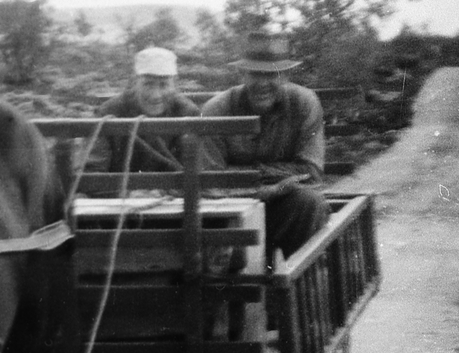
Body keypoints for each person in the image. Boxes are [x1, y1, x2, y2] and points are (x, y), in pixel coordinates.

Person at [201, 33, 330, 260]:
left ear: (286, 75)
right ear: (241, 73)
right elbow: (210, 184)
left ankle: (300, 288)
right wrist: (269, 189)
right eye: (255, 73)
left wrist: (243, 175)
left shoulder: (304, 103)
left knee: (310, 203)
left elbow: (311, 173)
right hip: (232, 208)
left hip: (284, 206)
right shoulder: (217, 109)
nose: (263, 83)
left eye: (272, 74)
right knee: (207, 224)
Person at [91, 46, 200, 173]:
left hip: (170, 191)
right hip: (118, 190)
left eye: (164, 85)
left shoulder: (188, 113)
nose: (156, 95)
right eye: (148, 84)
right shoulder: (109, 112)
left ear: (175, 85)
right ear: (134, 82)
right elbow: (92, 169)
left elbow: (196, 170)